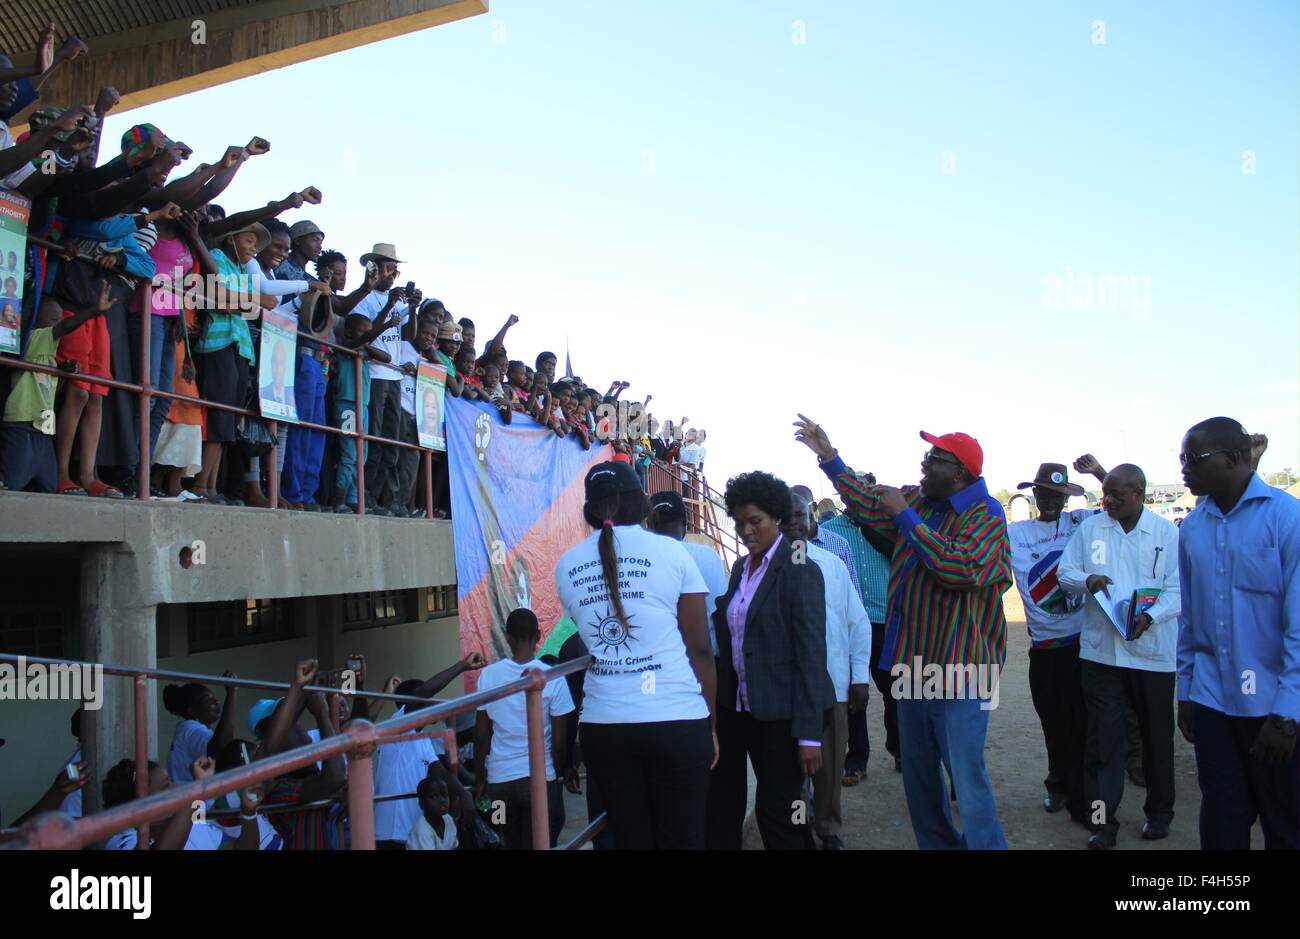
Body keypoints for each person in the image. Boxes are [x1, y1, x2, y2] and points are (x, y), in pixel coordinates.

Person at [794, 415, 1011, 850]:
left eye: (935, 459)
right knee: (919, 774)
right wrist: (830, 457)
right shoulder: (922, 501)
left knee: (966, 777)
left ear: (961, 473)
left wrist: (907, 518)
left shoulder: (984, 513)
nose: (924, 464)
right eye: (927, 455)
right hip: (914, 663)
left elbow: (959, 567)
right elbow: (870, 501)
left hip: (964, 668)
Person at [553, 461, 716, 849]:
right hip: (676, 719)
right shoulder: (673, 553)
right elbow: (700, 648)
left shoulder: (566, 565)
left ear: (590, 510)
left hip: (604, 728)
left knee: (628, 840)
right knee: (684, 837)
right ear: (642, 502)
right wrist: (710, 725)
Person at [1176, 417, 1299, 849]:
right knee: (1223, 822)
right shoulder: (1191, 529)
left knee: (1284, 824)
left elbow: (1298, 626)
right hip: (1212, 702)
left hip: (1274, 711)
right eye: (1181, 459)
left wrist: (1287, 711)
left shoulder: (1287, 519)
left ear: (1233, 459)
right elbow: (1190, 619)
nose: (1184, 469)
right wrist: (1187, 689)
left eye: (1193, 459)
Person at [1057, 463, 1182, 849]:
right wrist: (1086, 580)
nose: (1107, 500)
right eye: (1105, 493)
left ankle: (1159, 814)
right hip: (1102, 656)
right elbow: (1066, 572)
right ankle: (1102, 822)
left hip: (1153, 656)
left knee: (1156, 739)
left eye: (1116, 494)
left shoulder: (1166, 532)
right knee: (1103, 744)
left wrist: (1150, 616)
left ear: (1140, 495)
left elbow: (1178, 590)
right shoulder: (1092, 528)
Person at [706, 470, 833, 850]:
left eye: (755, 521)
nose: (746, 531)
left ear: (777, 517)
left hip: (783, 715)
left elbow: (812, 655)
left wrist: (809, 735)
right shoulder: (739, 569)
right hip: (737, 710)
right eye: (740, 522)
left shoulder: (799, 570)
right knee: (725, 805)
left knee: (780, 813)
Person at [1006, 460, 1104, 824]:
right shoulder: (1016, 533)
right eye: (1044, 493)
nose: (1050, 501)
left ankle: (1082, 797)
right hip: (1044, 651)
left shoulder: (1080, 524)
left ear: (1066, 501)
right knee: (1053, 724)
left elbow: (1119, 500)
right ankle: (1057, 785)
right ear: (1035, 495)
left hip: (1083, 647)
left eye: (1057, 496)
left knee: (1082, 725)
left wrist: (1098, 472)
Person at [782, 490, 871, 850]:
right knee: (791, 771)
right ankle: (796, 828)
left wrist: (859, 677)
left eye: (800, 517)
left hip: (832, 685)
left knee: (829, 767)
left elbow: (857, 622)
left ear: (811, 521)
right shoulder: (760, 567)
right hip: (785, 691)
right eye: (786, 517)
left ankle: (828, 828)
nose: (793, 524)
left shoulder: (832, 565)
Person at [474, 609, 576, 849]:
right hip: (541, 781)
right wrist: (560, 772)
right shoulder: (553, 677)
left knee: (506, 839)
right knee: (542, 840)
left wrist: (480, 779)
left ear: (508, 637)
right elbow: (560, 745)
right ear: (539, 635)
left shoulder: (488, 676)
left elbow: (481, 737)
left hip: (500, 785)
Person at [821, 485, 896, 782]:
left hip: (887, 621)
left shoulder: (889, 528)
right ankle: (856, 760)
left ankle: (899, 749)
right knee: (854, 693)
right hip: (849, 624)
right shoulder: (830, 531)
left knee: (895, 692)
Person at [1, 289, 110, 493]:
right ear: (35, 318)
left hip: (42, 429)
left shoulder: (49, 353)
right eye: (53, 319)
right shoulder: (34, 337)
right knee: (12, 483)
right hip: (22, 424)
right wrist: (94, 311)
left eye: (58, 319)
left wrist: (63, 371)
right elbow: (65, 327)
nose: (57, 323)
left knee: (48, 487)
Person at [372, 653, 485, 849]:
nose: (431, 704)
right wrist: (462, 666)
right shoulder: (398, 724)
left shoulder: (421, 738)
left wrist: (463, 793)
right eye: (425, 701)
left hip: (412, 832)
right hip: (391, 834)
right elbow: (424, 690)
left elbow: (439, 770)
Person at [645, 490, 729, 656]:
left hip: (662, 661)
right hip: (707, 658)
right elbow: (719, 611)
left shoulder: (642, 561)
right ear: (686, 523)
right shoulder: (708, 556)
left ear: (649, 525)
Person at [331, 312, 391, 513]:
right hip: (347, 404)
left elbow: (387, 357)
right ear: (349, 331)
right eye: (363, 331)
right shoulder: (344, 346)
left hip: (362, 406)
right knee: (350, 453)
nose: (368, 335)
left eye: (369, 332)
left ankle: (355, 498)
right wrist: (384, 327)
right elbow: (361, 341)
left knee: (362, 455)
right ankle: (338, 499)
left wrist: (367, 344)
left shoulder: (364, 350)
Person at [162, 674, 238, 784]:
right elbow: (220, 746)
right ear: (192, 710)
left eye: (214, 698)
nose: (216, 702)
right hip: (193, 800)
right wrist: (232, 693)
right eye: (208, 700)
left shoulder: (187, 729)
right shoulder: (190, 729)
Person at [406, 776, 459, 850]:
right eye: (433, 797)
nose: (442, 800)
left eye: (444, 795)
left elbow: (454, 846)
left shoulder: (448, 819)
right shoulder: (421, 831)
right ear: (421, 804)